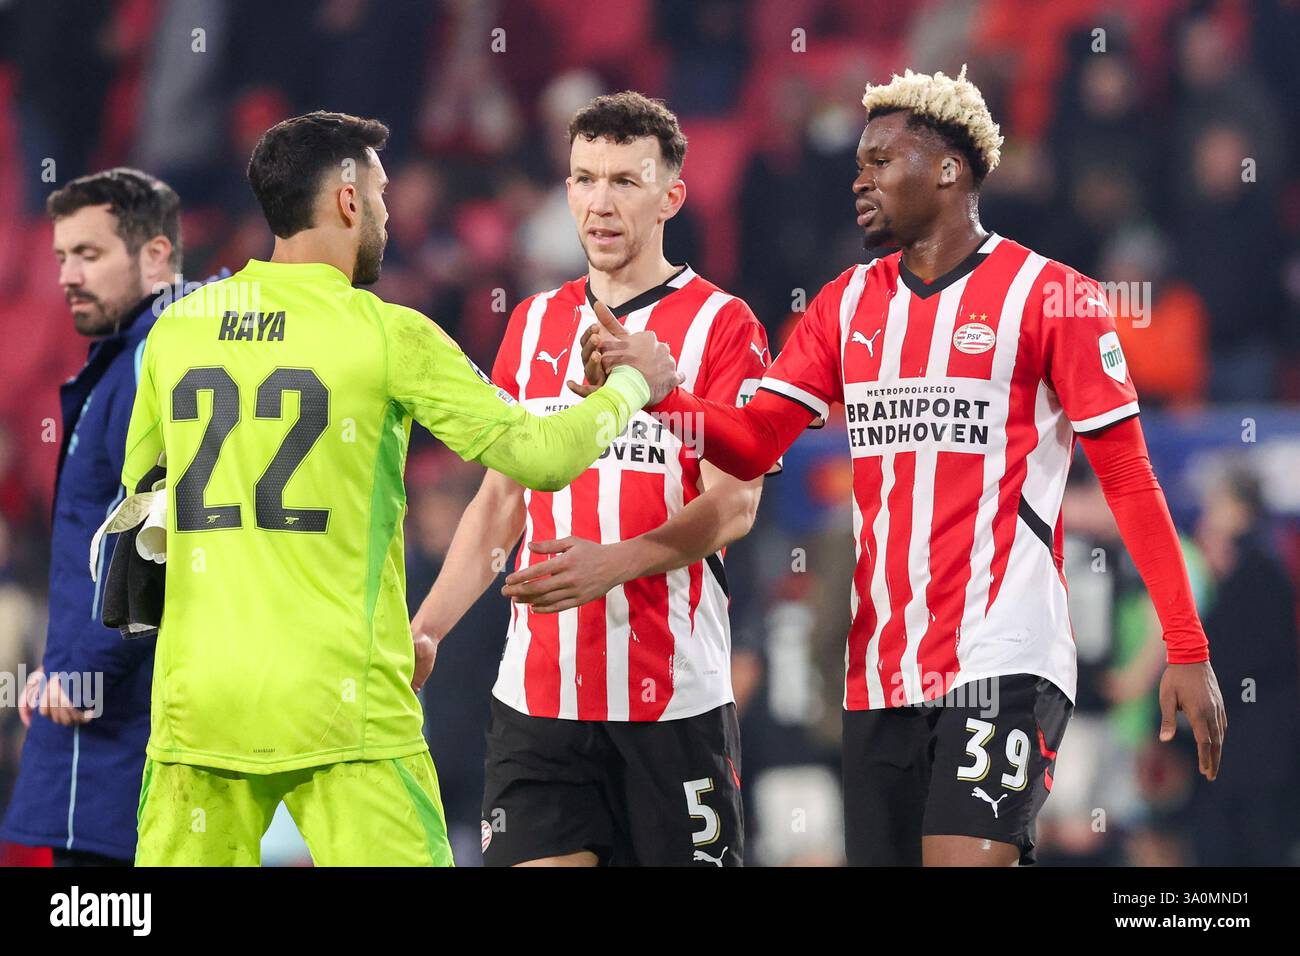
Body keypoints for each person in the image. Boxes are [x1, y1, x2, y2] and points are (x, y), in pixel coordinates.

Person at [583, 67, 1227, 866]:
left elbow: (1128, 478)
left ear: (950, 169)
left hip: (1003, 656)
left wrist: (1186, 646)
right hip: (878, 673)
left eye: (881, 161)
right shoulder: (843, 303)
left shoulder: (1051, 296)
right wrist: (656, 391)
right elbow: (753, 442)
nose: (859, 180)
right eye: (858, 164)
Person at [121, 111, 680, 867]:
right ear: (349, 202)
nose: (388, 214)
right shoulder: (386, 334)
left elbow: (140, 507)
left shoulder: (176, 330)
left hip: (198, 704)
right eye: (380, 195)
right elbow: (542, 459)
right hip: (342, 703)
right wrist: (628, 389)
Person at [411, 92, 769, 867]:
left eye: (625, 181)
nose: (600, 203)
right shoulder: (533, 321)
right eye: (584, 178)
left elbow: (735, 506)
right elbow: (500, 502)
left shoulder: (724, 324)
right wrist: (429, 627)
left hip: (672, 698)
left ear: (671, 195)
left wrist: (615, 562)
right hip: (538, 698)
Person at [1, 168, 181, 865]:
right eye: (61, 257)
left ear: (157, 256)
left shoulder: (148, 363)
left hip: (118, 730)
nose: (68, 276)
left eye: (91, 254)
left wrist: (84, 670)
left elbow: (157, 518)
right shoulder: (136, 358)